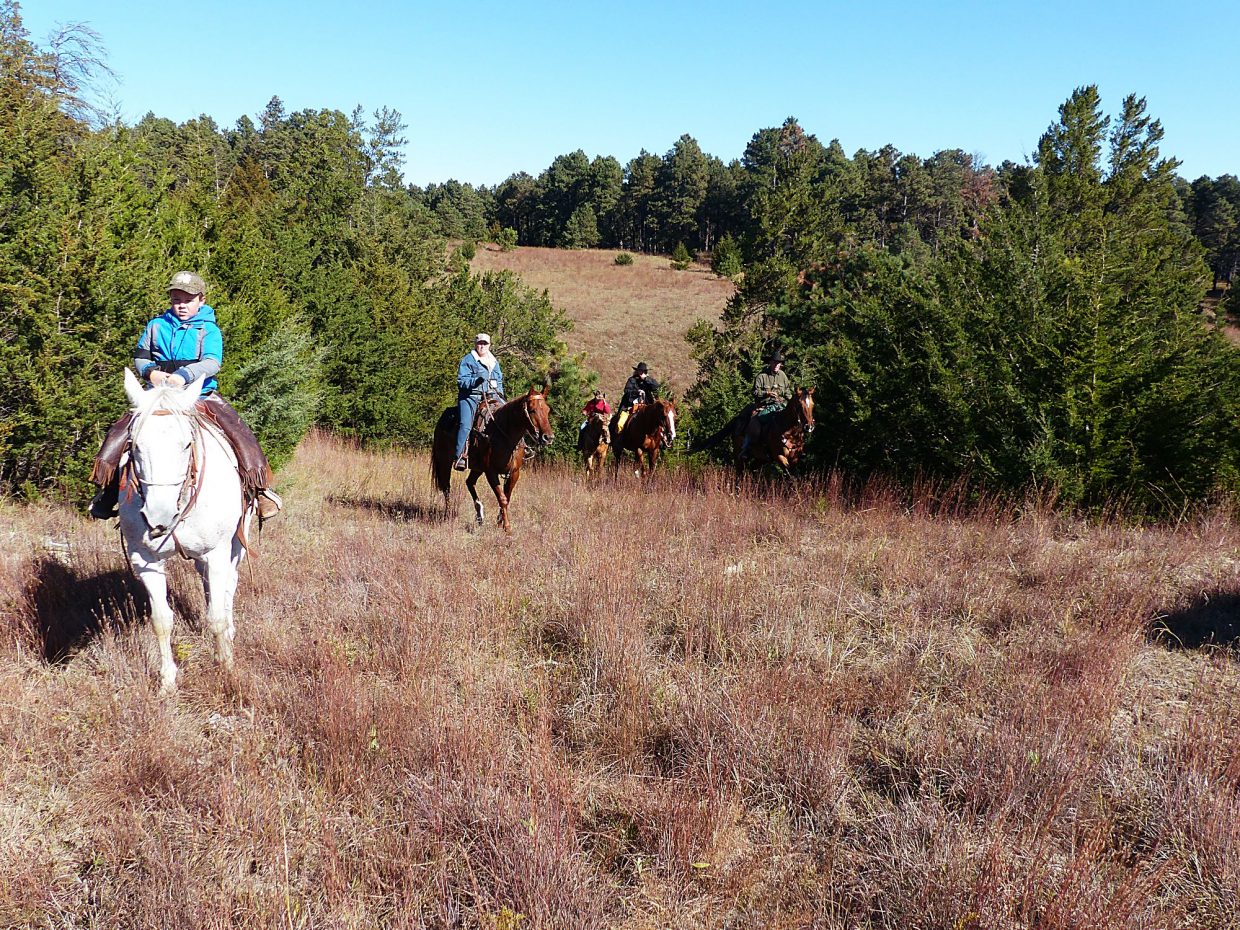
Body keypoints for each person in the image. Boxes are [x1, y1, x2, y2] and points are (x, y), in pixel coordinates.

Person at [89, 271, 283, 520]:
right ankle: (109, 490)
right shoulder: (156, 325)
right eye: (176, 299)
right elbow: (141, 356)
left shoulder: (208, 330)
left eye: (188, 300)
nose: (181, 305)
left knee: (239, 432)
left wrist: (184, 375)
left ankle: (260, 489)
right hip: (157, 396)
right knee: (121, 432)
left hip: (199, 394)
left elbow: (213, 362)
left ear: (201, 299)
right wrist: (150, 373)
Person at [454, 332, 504, 470]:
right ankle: (460, 456)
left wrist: (501, 398)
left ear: (489, 345)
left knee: (506, 419)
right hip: (470, 397)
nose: (482, 346)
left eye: (485, 344)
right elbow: (461, 381)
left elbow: (499, 382)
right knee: (466, 424)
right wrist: (476, 381)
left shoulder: (494, 362)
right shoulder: (468, 360)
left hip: (491, 397)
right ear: (475, 344)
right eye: (479, 343)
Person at [740, 350, 792, 458]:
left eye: (779, 363)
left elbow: (787, 392)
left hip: (780, 406)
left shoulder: (783, 376)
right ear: (770, 362)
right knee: (756, 422)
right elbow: (754, 392)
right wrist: (766, 394)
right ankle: (748, 448)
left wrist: (792, 401)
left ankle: (795, 448)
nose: (777, 365)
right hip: (765, 406)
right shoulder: (761, 376)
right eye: (775, 362)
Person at [616, 362, 660, 433]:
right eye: (640, 370)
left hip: (646, 408)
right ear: (637, 371)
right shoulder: (631, 380)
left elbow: (657, 387)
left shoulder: (648, 381)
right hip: (630, 407)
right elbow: (627, 391)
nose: (641, 372)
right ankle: (620, 442)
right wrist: (637, 392)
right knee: (620, 424)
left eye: (643, 371)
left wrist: (646, 379)